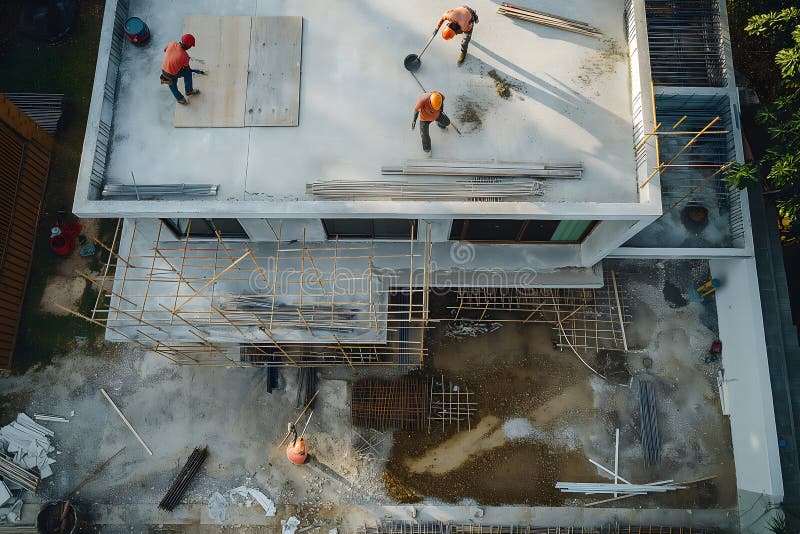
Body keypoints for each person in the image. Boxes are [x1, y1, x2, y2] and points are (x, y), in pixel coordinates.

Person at [161, 34, 203, 105]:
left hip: (164, 71)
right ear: (188, 46)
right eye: (190, 46)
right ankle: (189, 91)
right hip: (173, 73)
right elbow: (187, 68)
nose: (190, 47)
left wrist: (172, 57)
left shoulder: (172, 43)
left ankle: (180, 99)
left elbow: (165, 49)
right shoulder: (184, 56)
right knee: (188, 73)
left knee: (172, 87)